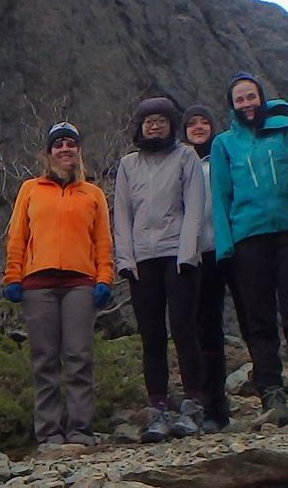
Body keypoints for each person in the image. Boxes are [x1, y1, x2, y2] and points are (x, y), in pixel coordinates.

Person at [211, 73, 288, 425]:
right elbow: (220, 195)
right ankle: (271, 393)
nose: (247, 105)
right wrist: (225, 247)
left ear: (262, 98)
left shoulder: (286, 131)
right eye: (239, 99)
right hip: (248, 237)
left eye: (251, 97)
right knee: (259, 319)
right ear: (232, 106)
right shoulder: (224, 144)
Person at [3, 122, 114, 447]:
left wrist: (105, 277)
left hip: (80, 283)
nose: (65, 149)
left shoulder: (93, 193)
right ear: (48, 152)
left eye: (70, 144)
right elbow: (18, 235)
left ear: (78, 150)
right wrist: (12, 275)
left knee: (79, 356)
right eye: (58, 145)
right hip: (38, 284)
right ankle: (49, 432)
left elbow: (103, 240)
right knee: (44, 358)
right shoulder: (30, 189)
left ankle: (80, 430)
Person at [112, 96, 208, 441]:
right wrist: (125, 259)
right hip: (143, 260)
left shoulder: (185, 158)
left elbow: (194, 208)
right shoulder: (128, 165)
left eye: (161, 120)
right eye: (148, 121)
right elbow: (122, 213)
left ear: (171, 124)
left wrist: (187, 254)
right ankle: (158, 409)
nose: (154, 126)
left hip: (177, 255)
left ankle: (193, 404)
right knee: (151, 336)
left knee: (184, 329)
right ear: (139, 126)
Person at [180, 103, 233, 432]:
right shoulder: (181, 165)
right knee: (199, 330)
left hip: (223, 249)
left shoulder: (221, 160)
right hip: (193, 254)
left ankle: (221, 406)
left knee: (220, 327)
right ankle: (205, 406)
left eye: (204, 122)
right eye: (192, 123)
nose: (198, 127)